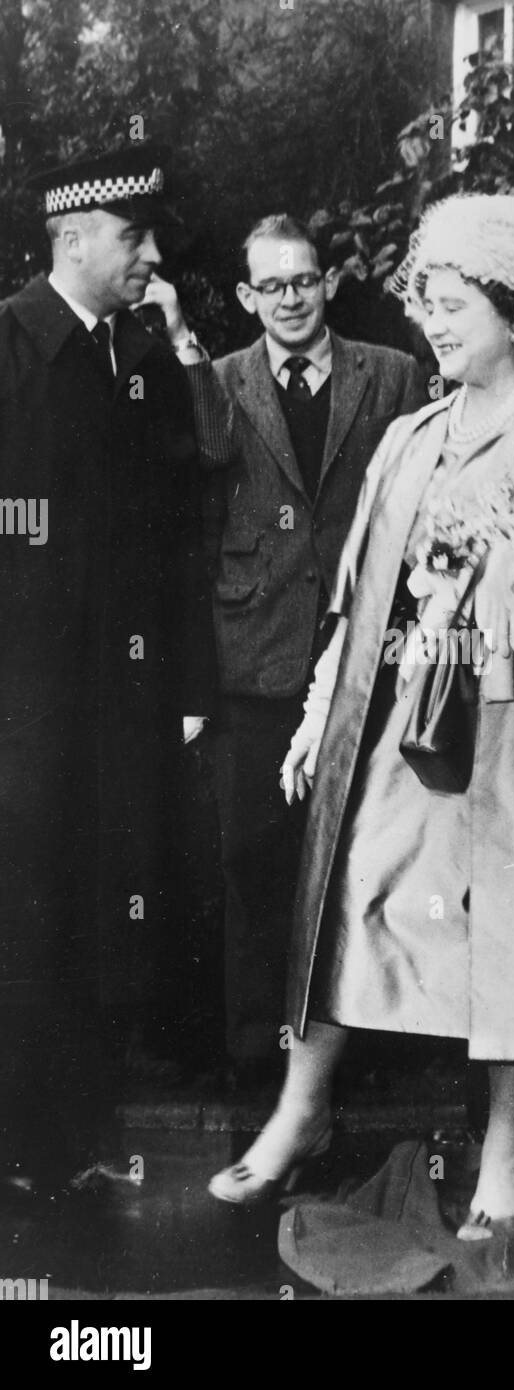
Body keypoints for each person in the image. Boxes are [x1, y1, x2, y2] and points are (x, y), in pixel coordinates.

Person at [206, 193, 514, 1236]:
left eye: (452, 307)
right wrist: (319, 708)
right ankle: (299, 1114)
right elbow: (360, 594)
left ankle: (507, 1148)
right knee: (352, 892)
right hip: (410, 717)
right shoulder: (416, 431)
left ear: (513, 309)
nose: (431, 326)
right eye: (423, 306)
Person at [142, 216, 423, 1086]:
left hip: (362, 651)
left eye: (305, 280)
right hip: (253, 657)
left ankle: (363, 1056)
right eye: (273, 286)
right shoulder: (215, 381)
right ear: (247, 297)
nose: (292, 298)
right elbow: (200, 472)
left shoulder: (394, 374)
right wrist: (183, 348)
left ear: (328, 284)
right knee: (254, 861)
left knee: (363, 862)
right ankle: (257, 1059)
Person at [0, 144, 216, 1200]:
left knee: (97, 901)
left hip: (116, 696)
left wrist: (178, 690)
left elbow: (178, 526)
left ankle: (74, 1139)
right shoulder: (8, 348)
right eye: (135, 238)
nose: (152, 256)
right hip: (22, 699)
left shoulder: (138, 357)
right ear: (74, 239)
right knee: (21, 903)